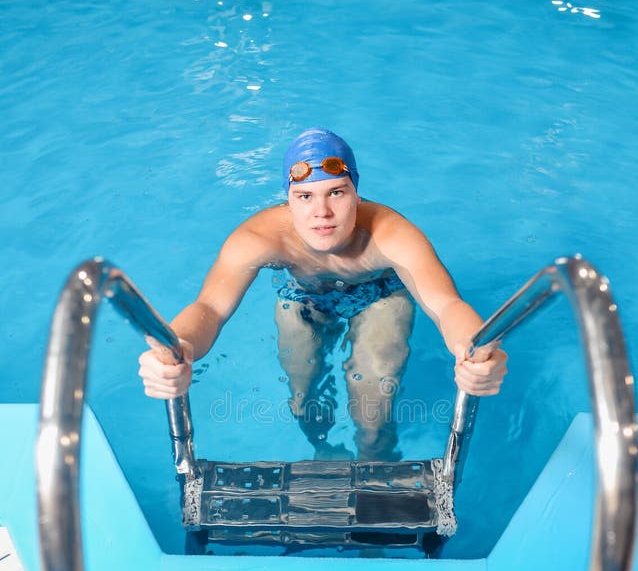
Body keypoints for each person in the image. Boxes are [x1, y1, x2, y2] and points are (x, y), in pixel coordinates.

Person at [139, 128, 507, 460]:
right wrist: (178, 348)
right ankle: (323, 449)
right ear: (288, 199)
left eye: (336, 192)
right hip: (304, 300)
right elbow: (209, 308)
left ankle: (375, 460)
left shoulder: (391, 235)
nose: (322, 213)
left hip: (378, 296)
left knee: (373, 410)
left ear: (356, 193)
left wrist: (475, 350)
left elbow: (446, 305)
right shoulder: (259, 239)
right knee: (303, 398)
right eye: (304, 196)